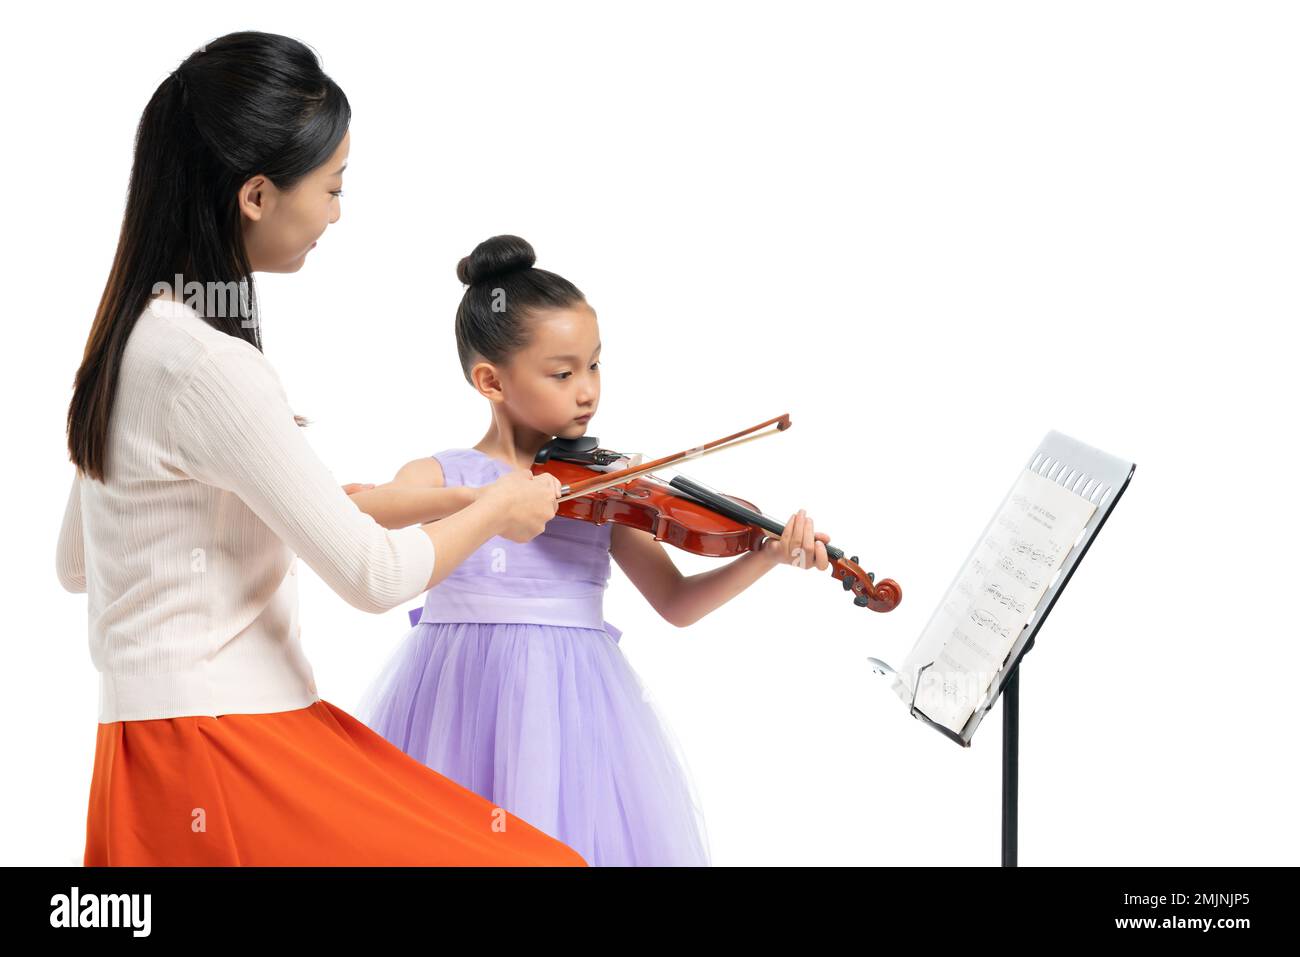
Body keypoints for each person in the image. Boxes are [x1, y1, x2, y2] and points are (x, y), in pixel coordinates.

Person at [57, 33, 584, 867]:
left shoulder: (133, 343)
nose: (336, 212)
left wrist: (431, 500)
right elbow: (374, 577)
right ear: (258, 194)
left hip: (149, 751)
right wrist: (496, 505)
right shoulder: (209, 363)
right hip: (225, 748)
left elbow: (86, 559)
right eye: (332, 186)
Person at [350, 234, 833, 865]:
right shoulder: (447, 473)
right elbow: (356, 510)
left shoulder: (606, 489)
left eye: (595, 365)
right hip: (456, 700)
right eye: (563, 372)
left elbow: (677, 603)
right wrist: (490, 502)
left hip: (571, 709)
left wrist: (763, 555)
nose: (587, 391)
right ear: (491, 381)